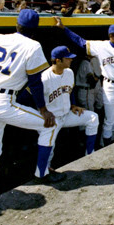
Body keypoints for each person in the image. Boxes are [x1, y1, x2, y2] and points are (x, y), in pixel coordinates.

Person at [0, 9, 64, 200]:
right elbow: (35, 82)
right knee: (51, 125)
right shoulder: (33, 45)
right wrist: (43, 109)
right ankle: (41, 174)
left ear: (17, 24)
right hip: (3, 101)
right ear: (34, 30)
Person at [54, 16, 114, 146]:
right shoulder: (101, 46)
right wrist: (64, 28)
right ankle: (104, 145)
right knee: (109, 120)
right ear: (112, 36)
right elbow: (80, 41)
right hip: (109, 85)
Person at [38, 46, 99, 174]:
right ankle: (46, 171)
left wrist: (73, 105)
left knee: (93, 117)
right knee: (49, 146)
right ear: (58, 60)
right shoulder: (44, 78)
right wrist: (41, 113)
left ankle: (90, 155)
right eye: (68, 58)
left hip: (66, 115)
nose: (71, 60)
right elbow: (32, 98)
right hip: (52, 119)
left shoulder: (69, 72)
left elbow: (69, 91)